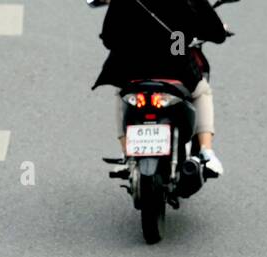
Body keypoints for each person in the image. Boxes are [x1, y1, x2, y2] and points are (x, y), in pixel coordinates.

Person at [92, 0, 230, 176]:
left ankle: (127, 152)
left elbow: (109, 38)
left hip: (135, 72)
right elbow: (216, 33)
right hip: (176, 72)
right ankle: (206, 151)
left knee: (122, 93)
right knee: (202, 91)